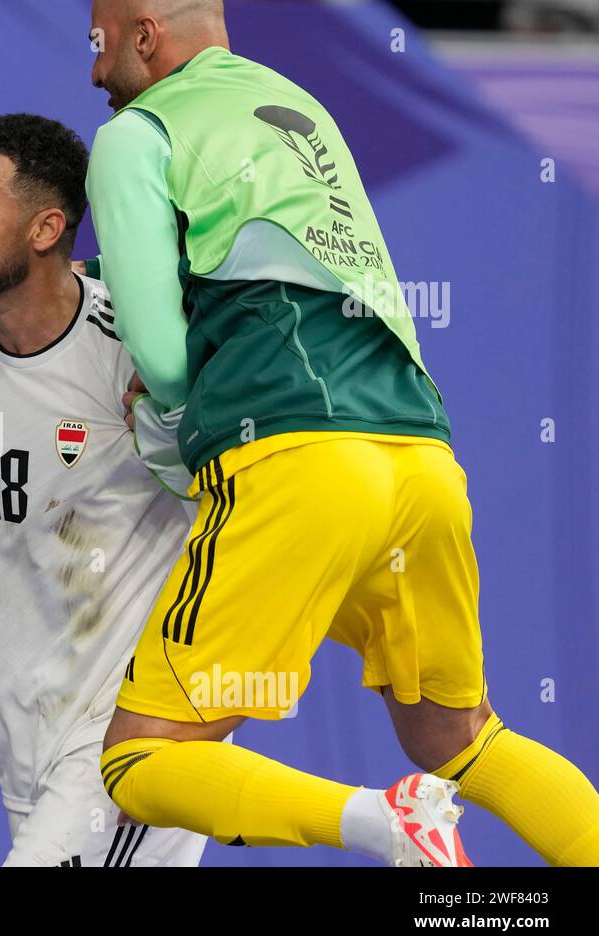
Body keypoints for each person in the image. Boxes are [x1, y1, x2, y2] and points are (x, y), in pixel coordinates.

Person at [83, 0, 599, 865]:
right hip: (422, 459)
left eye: (97, 45)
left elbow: (162, 359)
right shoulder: (298, 108)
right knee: (462, 740)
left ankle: (387, 823)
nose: (94, 71)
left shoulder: (137, 134)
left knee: (143, 756)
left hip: (295, 455)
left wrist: (162, 424)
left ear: (145, 36)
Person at [0, 113, 212, 866]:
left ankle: (373, 821)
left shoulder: (140, 348)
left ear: (47, 228)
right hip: (24, 745)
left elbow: (230, 512)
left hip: (130, 732)